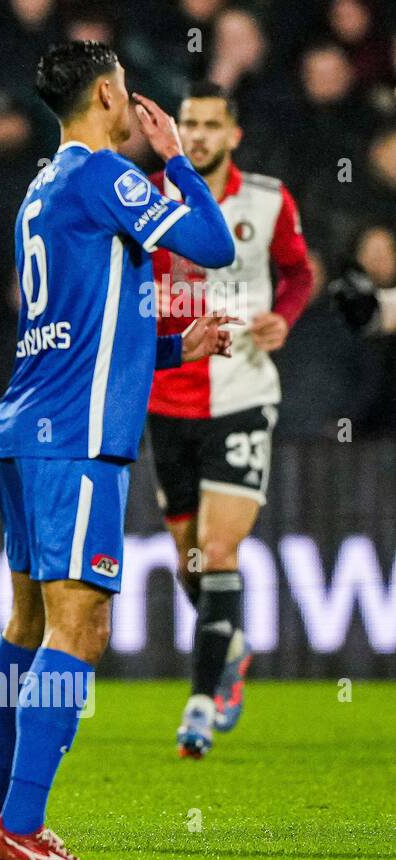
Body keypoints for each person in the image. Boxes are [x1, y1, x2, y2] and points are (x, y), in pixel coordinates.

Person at [0, 41, 236, 860]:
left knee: (25, 621)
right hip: (76, 443)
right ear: (104, 93)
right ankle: (21, 829)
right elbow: (214, 244)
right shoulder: (104, 174)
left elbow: (76, 330)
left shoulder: (41, 188)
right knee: (79, 628)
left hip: (24, 428)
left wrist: (170, 349)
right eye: (125, 87)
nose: (134, 100)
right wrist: (174, 163)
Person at [145, 82, 313, 759]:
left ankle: (200, 704)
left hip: (242, 391)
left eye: (213, 124)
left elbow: (299, 274)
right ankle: (233, 648)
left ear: (233, 134)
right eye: (191, 123)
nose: (202, 134)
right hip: (165, 398)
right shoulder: (145, 196)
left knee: (218, 551)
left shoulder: (269, 199)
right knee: (190, 563)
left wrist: (285, 318)